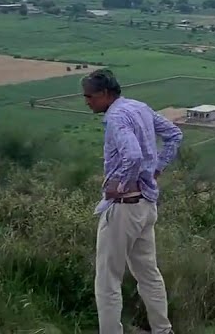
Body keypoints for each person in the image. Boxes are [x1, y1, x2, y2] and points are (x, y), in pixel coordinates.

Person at [82, 68, 184, 334]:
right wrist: (158, 168)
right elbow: (174, 134)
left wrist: (121, 184)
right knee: (148, 274)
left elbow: (133, 156)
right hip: (146, 205)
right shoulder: (139, 107)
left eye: (89, 96)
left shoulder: (116, 117)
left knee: (107, 281)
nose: (87, 101)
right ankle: (163, 330)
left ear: (105, 94)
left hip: (124, 207)